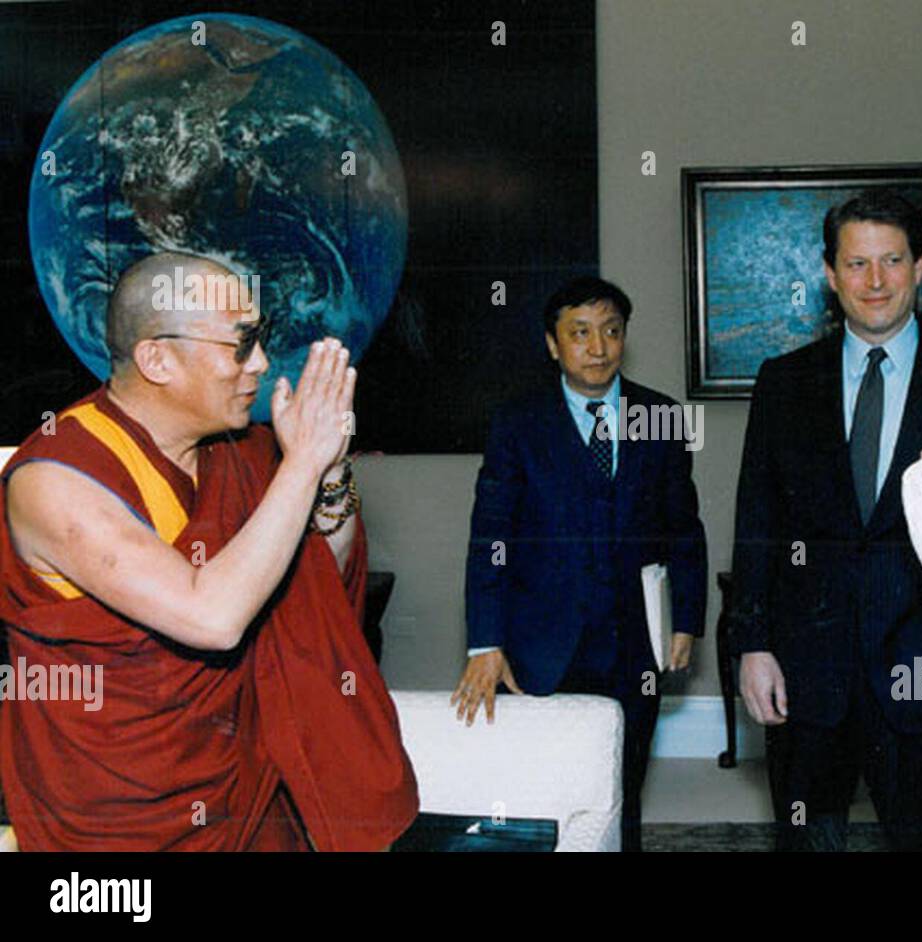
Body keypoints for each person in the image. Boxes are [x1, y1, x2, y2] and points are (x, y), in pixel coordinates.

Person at [0, 251, 418, 850]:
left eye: (262, 339)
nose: (263, 365)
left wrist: (325, 474)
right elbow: (212, 617)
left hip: (246, 792)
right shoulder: (57, 476)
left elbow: (320, 569)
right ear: (157, 358)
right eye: (242, 344)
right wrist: (300, 463)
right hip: (118, 816)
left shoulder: (240, 452)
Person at [731, 191, 922, 851]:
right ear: (829, 273)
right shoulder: (783, 382)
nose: (875, 282)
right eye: (857, 263)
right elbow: (757, 520)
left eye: (892, 261)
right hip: (807, 672)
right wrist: (751, 646)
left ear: (921, 266)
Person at [453, 276, 707, 852]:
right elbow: (490, 537)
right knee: (541, 795)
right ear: (552, 344)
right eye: (581, 333)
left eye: (611, 332)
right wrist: (484, 642)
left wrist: (687, 620)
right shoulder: (518, 423)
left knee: (623, 789)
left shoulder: (661, 417)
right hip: (540, 648)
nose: (598, 348)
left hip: (633, 646)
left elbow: (684, 530)